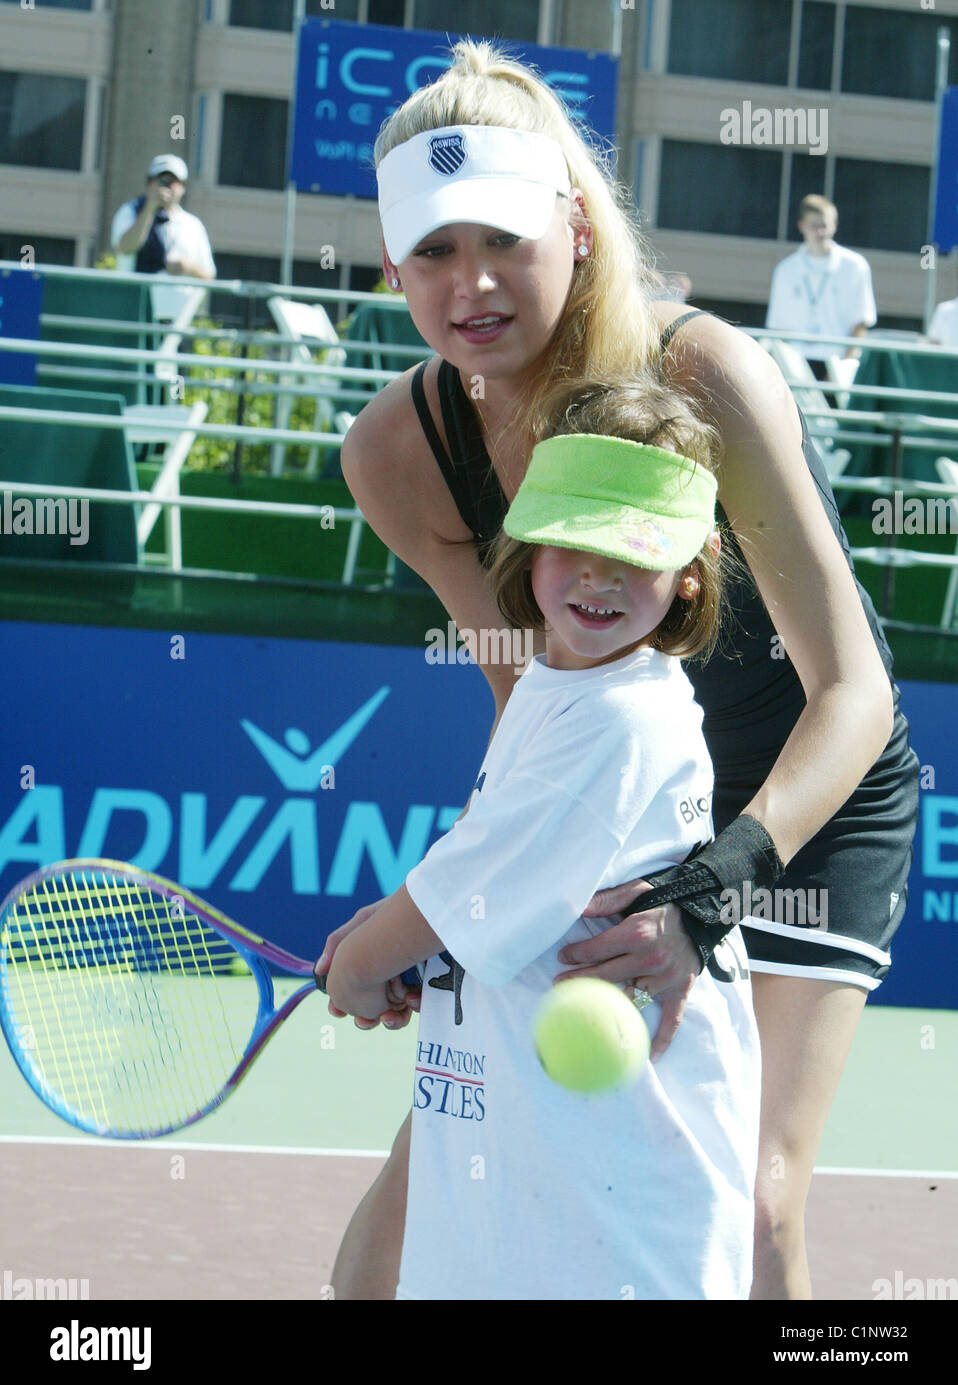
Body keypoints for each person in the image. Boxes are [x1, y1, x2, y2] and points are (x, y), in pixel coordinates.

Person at [316, 40, 919, 1301]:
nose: (470, 282)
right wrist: (440, 929)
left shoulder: (701, 372)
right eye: (433, 250)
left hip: (801, 810)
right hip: (614, 798)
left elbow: (853, 691)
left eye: (503, 238)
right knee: (383, 1254)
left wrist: (709, 893)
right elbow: (531, 707)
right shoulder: (398, 455)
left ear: (577, 228)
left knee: (750, 1209)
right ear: (390, 267)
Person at [325, 380, 762, 1300]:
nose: (597, 577)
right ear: (527, 546)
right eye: (573, 542)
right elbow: (484, 868)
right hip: (526, 1164)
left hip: (613, 1212)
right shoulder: (551, 688)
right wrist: (399, 936)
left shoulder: (623, 722)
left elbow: (463, 898)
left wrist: (367, 960)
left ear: (693, 567)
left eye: (632, 554)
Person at [766, 193, 876, 378]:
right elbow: (778, 329)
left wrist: (845, 367)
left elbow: (860, 323)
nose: (819, 232)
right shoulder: (786, 269)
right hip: (796, 364)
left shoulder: (855, 266)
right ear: (802, 226)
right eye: (813, 226)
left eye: (823, 226)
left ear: (834, 225)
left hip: (837, 363)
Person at [110, 154, 216, 280]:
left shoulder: (193, 225)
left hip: (177, 299)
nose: (166, 186)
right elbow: (125, 247)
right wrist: (150, 207)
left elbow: (210, 274)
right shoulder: (130, 211)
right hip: (135, 297)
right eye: (161, 180)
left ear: (183, 186)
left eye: (172, 181)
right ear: (149, 183)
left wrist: (188, 267)